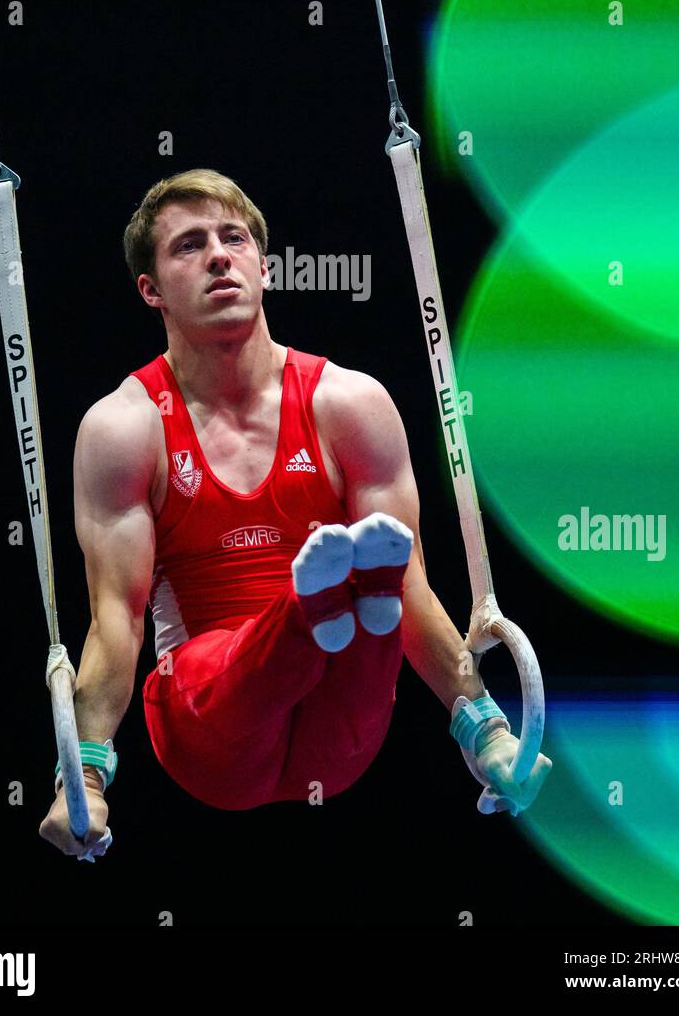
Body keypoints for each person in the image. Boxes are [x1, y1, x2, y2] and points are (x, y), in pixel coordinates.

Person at [39, 169, 551, 858]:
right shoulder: (124, 428)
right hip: (209, 731)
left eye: (234, 238)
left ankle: (324, 605)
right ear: (151, 289)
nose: (219, 255)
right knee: (273, 640)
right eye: (189, 245)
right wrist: (87, 773)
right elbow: (117, 620)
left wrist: (485, 728)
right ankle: (309, 607)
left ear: (265, 267)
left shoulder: (350, 405)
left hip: (336, 745)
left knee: (382, 598)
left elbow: (413, 593)